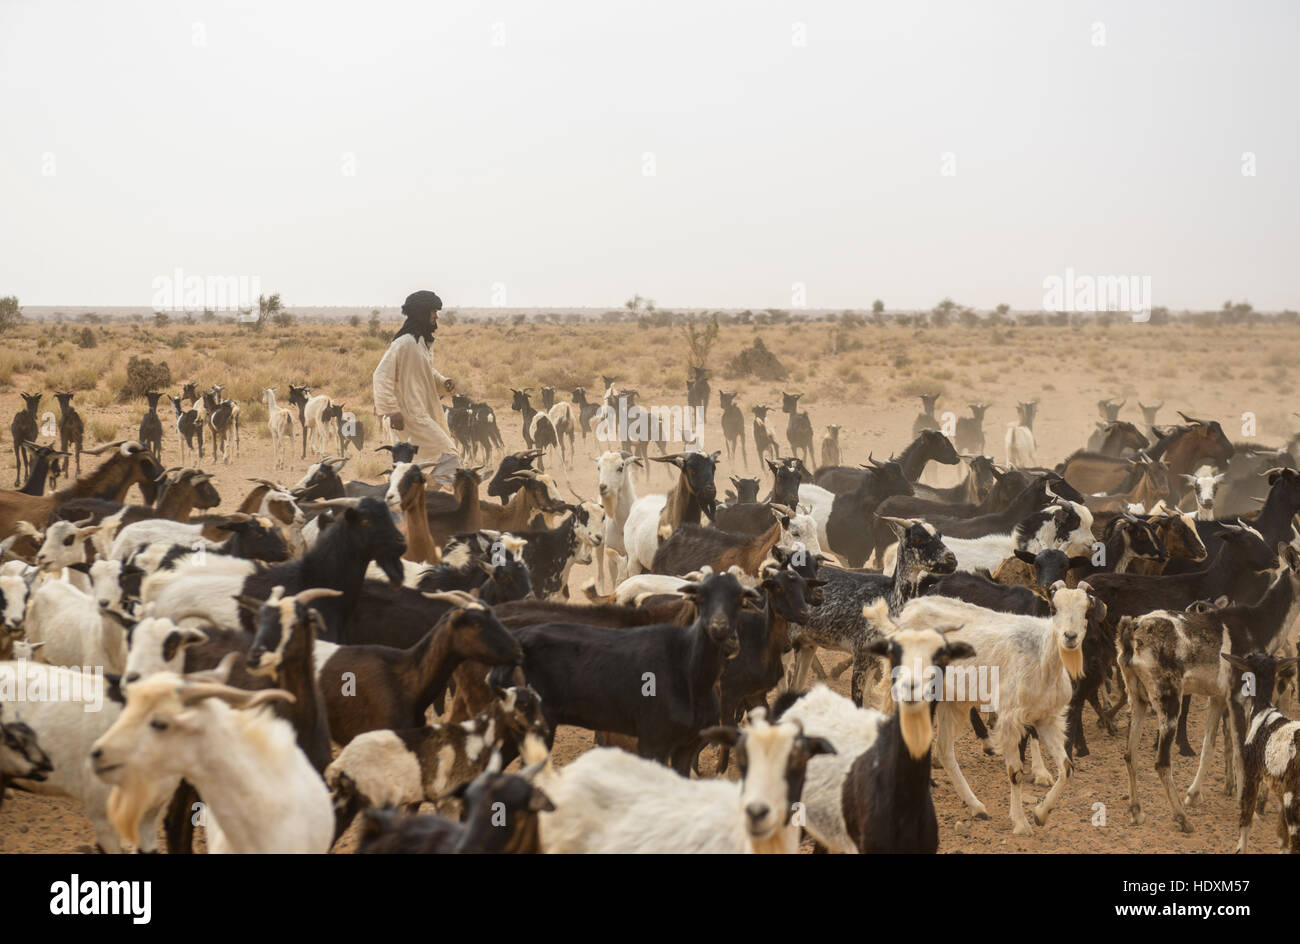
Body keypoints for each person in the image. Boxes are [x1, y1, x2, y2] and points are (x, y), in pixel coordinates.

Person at [372, 290, 460, 483]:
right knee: (449, 455)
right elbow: (381, 375)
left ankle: (416, 500)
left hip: (423, 411)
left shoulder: (420, 343)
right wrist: (390, 410)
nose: (436, 316)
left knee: (426, 460)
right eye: (433, 311)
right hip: (410, 415)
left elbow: (425, 372)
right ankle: (431, 502)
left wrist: (443, 383)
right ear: (422, 312)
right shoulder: (403, 343)